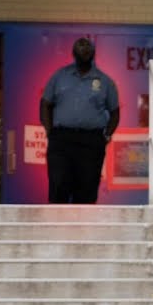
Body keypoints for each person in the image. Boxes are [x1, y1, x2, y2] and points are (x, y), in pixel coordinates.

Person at [39, 37, 120, 204]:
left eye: (88, 49)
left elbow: (115, 112)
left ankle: (83, 229)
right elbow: (45, 104)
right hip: (61, 140)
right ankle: (56, 228)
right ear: (73, 53)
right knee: (58, 184)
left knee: (86, 189)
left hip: (91, 142)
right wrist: (49, 131)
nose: (85, 51)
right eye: (81, 49)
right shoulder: (59, 76)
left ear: (93, 54)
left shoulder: (105, 82)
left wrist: (106, 135)